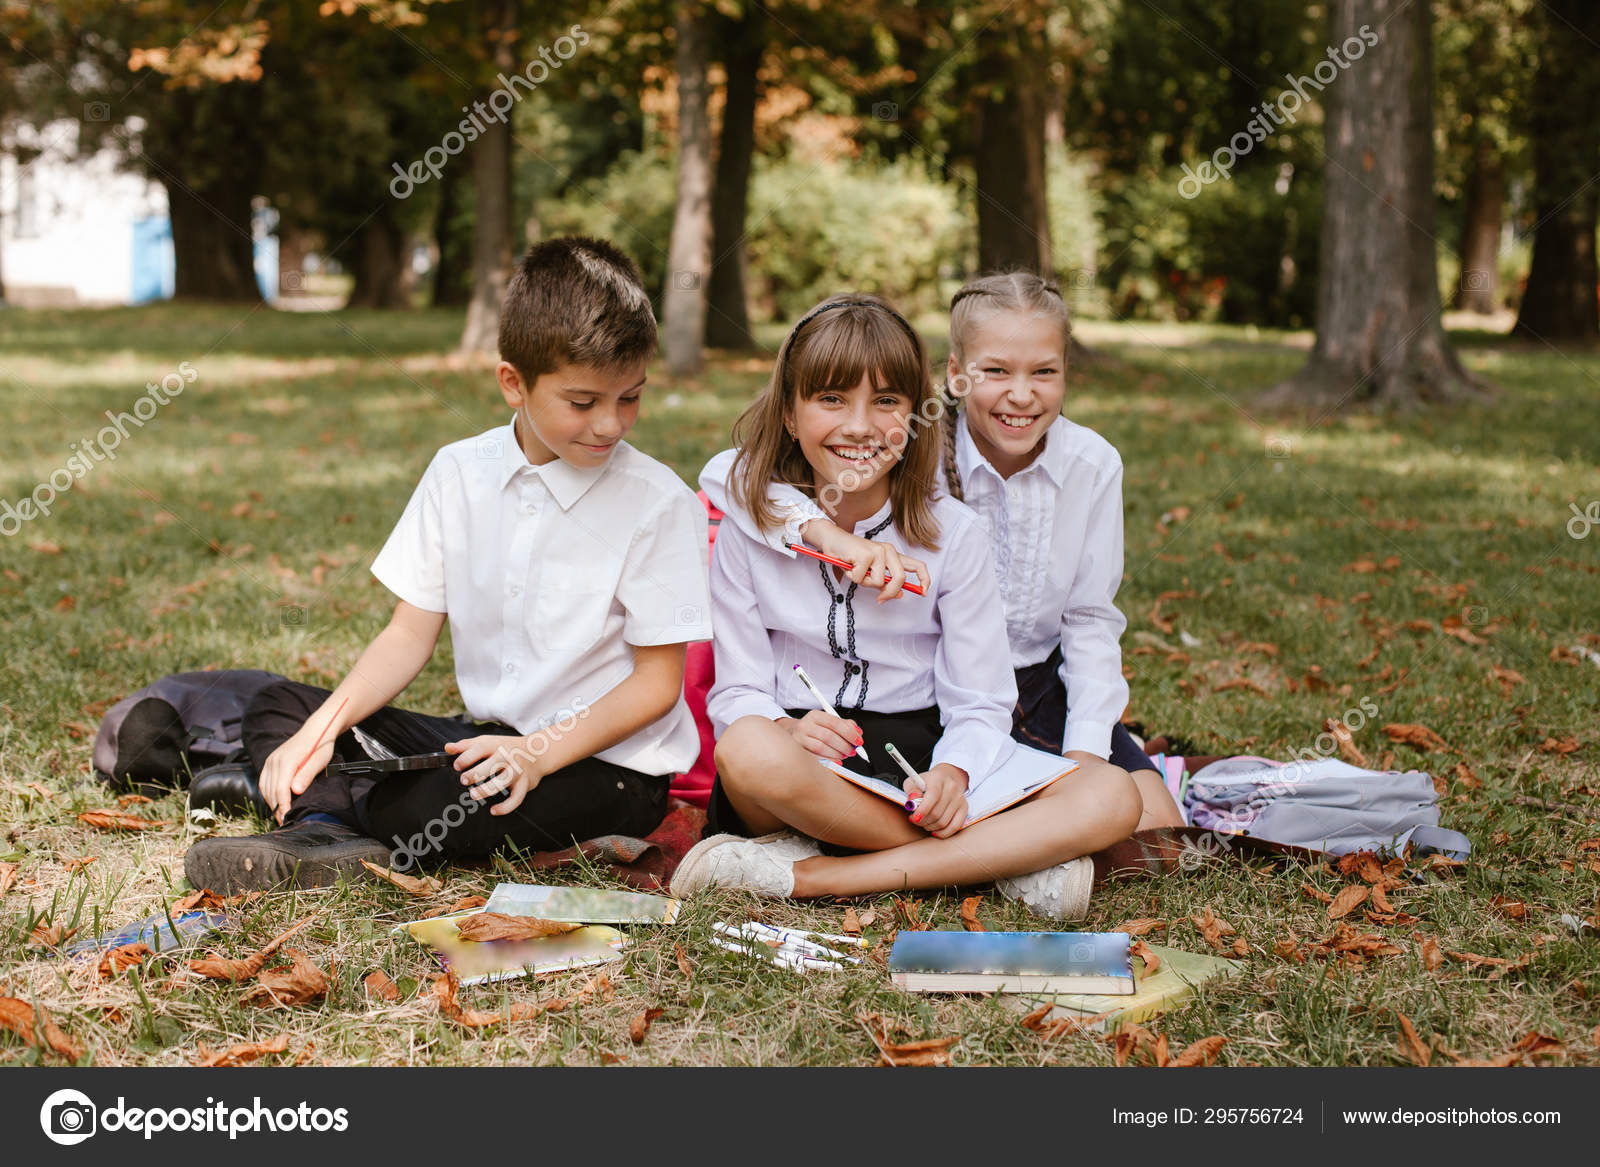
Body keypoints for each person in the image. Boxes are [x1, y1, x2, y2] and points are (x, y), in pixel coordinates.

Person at [184, 236, 712, 893]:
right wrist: (321, 731)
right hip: (488, 741)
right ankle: (323, 818)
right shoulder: (459, 472)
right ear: (513, 383)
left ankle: (321, 810)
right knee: (282, 708)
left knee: (434, 808)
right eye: (583, 402)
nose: (610, 424)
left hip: (609, 770)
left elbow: (657, 685)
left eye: (629, 397)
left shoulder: (658, 501)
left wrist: (537, 755)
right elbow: (408, 636)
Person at [670, 294, 1141, 920]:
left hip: (921, 755)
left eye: (887, 401)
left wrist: (955, 774)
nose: (860, 426)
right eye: (831, 399)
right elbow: (738, 692)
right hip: (805, 762)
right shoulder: (750, 526)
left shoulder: (955, 534)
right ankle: (992, 861)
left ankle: (821, 875)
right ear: (788, 413)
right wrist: (785, 728)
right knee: (746, 751)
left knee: (1112, 794)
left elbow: (980, 702)